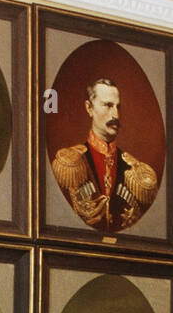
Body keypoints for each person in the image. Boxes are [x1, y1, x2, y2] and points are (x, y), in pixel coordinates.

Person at [52, 77, 159, 233]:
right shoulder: (68, 163)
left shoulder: (136, 169)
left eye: (117, 107)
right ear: (89, 108)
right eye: (108, 106)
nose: (115, 114)